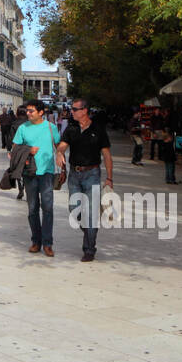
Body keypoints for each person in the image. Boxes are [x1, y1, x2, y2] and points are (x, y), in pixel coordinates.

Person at [56, 98, 112, 262]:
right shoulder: (71, 129)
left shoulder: (98, 129)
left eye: (74, 109)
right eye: (71, 109)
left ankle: (89, 249)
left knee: (91, 214)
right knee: (75, 209)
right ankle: (89, 229)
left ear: (84, 110)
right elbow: (63, 145)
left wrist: (109, 178)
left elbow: (107, 155)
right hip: (74, 174)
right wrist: (59, 153)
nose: (71, 112)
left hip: (92, 174)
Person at [14, 100, 60, 256]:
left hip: (47, 172)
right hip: (29, 173)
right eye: (27, 111)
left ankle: (48, 243)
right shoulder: (22, 128)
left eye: (31, 111)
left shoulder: (50, 127)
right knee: (32, 208)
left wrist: (60, 154)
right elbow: (15, 149)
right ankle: (36, 241)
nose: (28, 113)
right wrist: (28, 150)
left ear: (41, 112)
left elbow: (59, 146)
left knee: (48, 208)